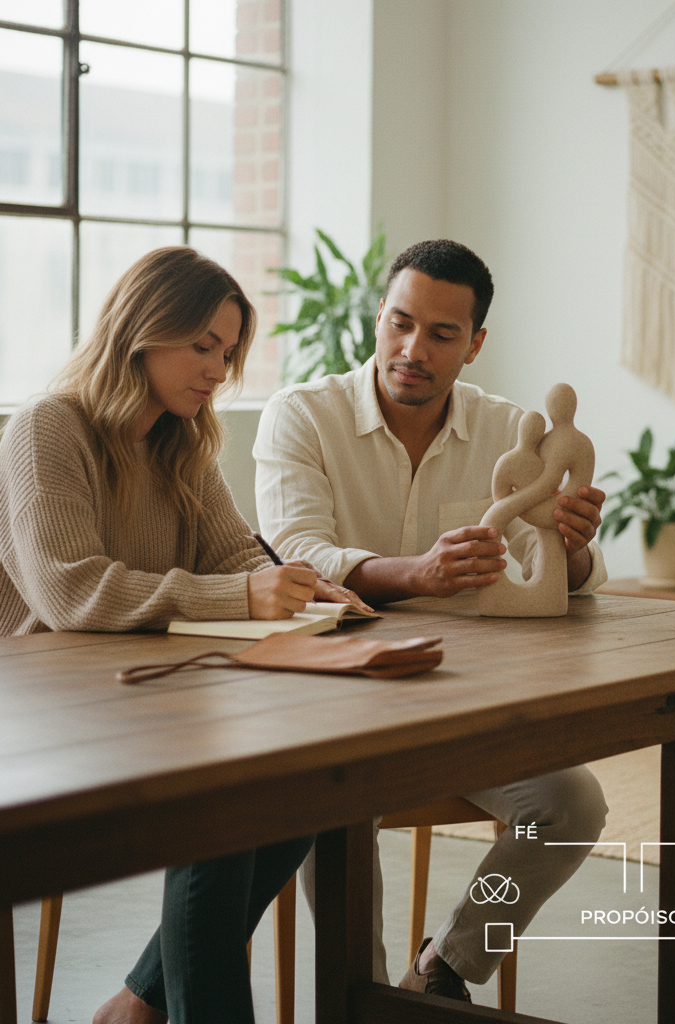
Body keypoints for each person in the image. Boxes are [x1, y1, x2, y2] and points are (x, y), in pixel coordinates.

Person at [0, 246, 362, 1024]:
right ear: (141, 328)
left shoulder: (181, 441)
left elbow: (233, 555)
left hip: (143, 688)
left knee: (303, 788)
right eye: (202, 346)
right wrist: (241, 593)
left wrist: (297, 585)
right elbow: (69, 592)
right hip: (43, 708)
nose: (219, 370)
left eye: (228, 353)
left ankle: (139, 1001)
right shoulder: (46, 428)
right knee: (229, 801)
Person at [253, 239, 609, 1001]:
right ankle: (363, 997)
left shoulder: (511, 432)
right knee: (332, 796)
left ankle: (442, 972)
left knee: (571, 804)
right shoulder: (302, 416)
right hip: (329, 704)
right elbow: (298, 555)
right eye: (400, 323)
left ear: (475, 343)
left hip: (459, 701)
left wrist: (571, 549)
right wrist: (416, 573)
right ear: (379, 317)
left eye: (442, 334)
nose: (413, 349)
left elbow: (564, 581)